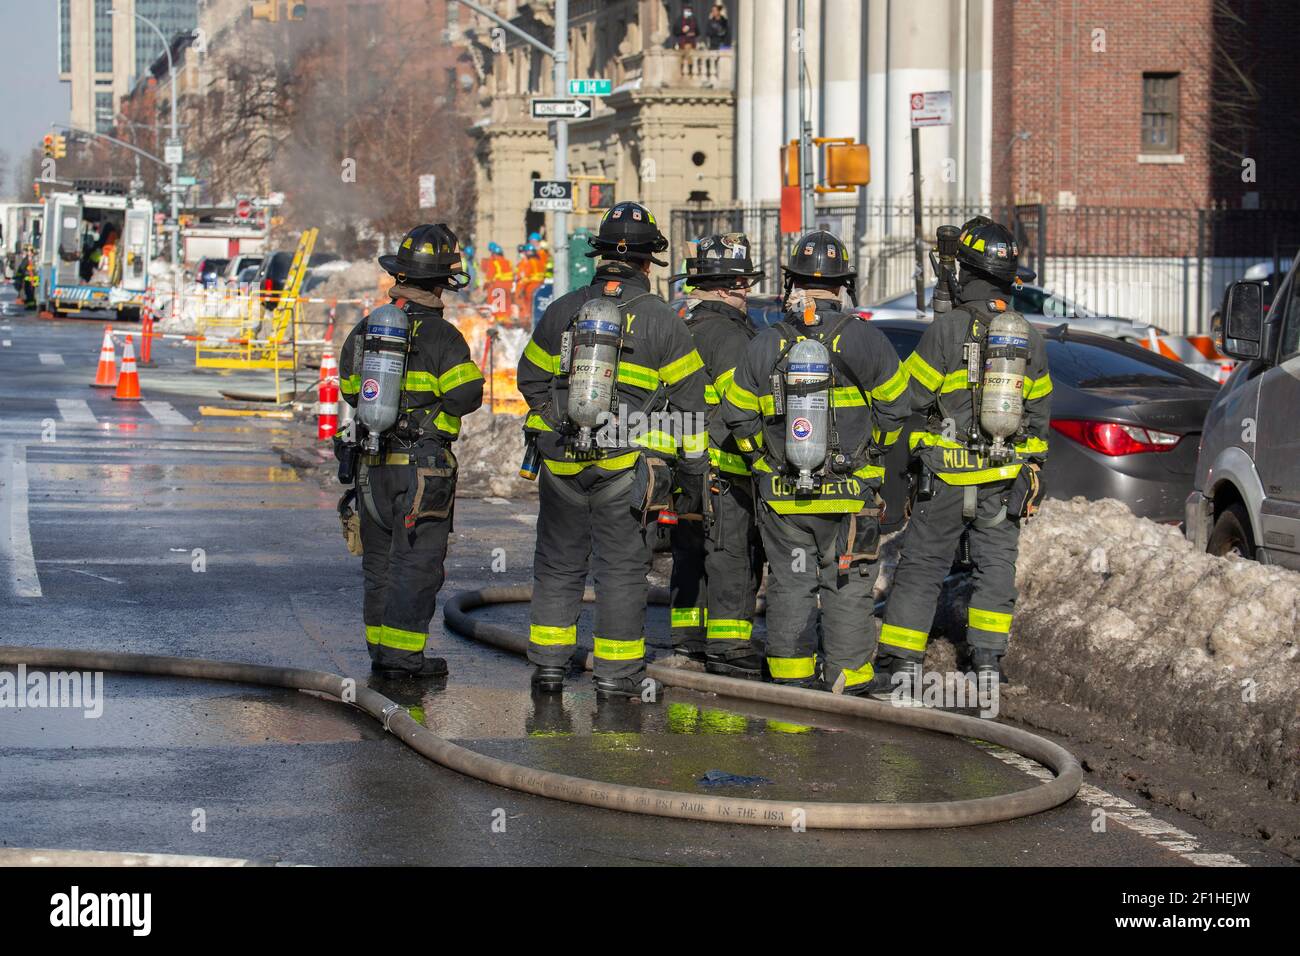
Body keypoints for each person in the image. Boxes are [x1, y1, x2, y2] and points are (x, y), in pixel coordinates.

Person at [517, 200, 709, 700]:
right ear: (649, 263)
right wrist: (691, 480)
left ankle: (548, 669)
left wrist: (557, 420)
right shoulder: (663, 320)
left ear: (599, 255)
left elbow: (530, 378)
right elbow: (691, 405)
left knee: (558, 566)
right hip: (627, 471)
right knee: (621, 573)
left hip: (561, 462)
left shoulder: (562, 309)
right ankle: (616, 676)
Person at [721, 230, 909, 693]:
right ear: (843, 284)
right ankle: (849, 687)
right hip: (848, 496)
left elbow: (736, 411)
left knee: (791, 584)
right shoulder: (865, 339)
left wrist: (761, 460)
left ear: (792, 282)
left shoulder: (768, 343)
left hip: (784, 497)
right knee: (847, 583)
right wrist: (871, 454)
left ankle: (792, 690)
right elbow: (897, 407)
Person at [875, 217, 1052, 695]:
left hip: (946, 477)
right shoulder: (1028, 337)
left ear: (966, 273)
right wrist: (1030, 469)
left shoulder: (949, 330)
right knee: (996, 567)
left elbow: (911, 394)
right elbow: (1037, 415)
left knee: (923, 565)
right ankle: (988, 662)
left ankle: (901, 663)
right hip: (1002, 476)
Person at [338, 223, 485, 678]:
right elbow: (466, 395)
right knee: (417, 567)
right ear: (441, 281)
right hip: (422, 475)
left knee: (379, 565)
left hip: (370, 469)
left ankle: (381, 654)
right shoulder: (443, 336)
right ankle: (404, 659)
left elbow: (348, 388)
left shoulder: (367, 329)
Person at [666, 234, 766, 678]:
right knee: (730, 552)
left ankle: (688, 637)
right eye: (744, 283)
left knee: (690, 552)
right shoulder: (729, 336)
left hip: (681, 467)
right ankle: (728, 644)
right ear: (729, 288)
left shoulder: (681, 326)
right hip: (722, 466)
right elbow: (742, 404)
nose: (748, 293)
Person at [482, 241, 514, 319]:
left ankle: (498, 320)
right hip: (509, 287)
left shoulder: (494, 263)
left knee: (497, 306)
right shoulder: (508, 262)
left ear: (494, 254)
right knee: (507, 305)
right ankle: (507, 320)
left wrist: (485, 286)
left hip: (498, 286)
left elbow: (489, 277)